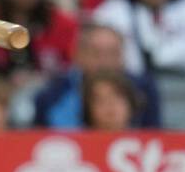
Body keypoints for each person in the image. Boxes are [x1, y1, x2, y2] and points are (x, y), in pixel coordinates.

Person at [33, 23, 161, 128]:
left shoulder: (144, 89)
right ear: (77, 55)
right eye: (96, 53)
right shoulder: (54, 94)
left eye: (112, 53)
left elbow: (153, 136)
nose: (105, 61)